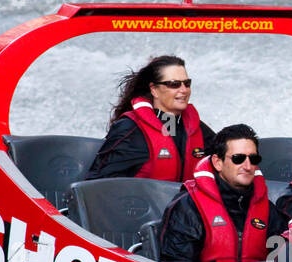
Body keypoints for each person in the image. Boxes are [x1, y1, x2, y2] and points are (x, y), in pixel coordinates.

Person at [158, 124, 289, 262]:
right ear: (217, 162)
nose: (247, 166)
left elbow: (286, 261)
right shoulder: (189, 205)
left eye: (253, 159)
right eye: (238, 158)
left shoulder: (267, 209)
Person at [85, 55, 215, 182]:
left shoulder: (198, 129)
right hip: (139, 202)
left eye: (187, 83)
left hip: (183, 203)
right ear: (154, 90)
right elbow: (97, 184)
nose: (184, 90)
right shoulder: (129, 129)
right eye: (174, 84)